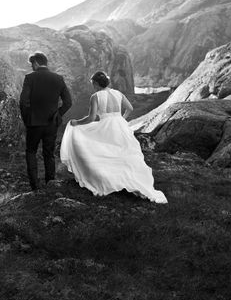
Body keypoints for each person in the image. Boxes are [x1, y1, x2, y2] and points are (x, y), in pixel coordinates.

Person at [60, 71, 167, 204]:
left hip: (105, 125)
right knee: (122, 153)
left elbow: (91, 118)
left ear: (96, 83)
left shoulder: (96, 96)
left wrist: (77, 123)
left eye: (93, 83)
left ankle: (107, 179)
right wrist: (121, 119)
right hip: (120, 125)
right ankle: (127, 178)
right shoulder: (118, 93)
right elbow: (130, 108)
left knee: (104, 150)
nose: (93, 86)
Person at [19, 52, 72, 191]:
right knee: (48, 153)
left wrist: (27, 119)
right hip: (51, 125)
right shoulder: (58, 78)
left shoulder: (30, 78)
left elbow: (23, 102)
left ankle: (35, 186)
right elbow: (68, 102)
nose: (31, 67)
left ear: (36, 63)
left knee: (31, 152)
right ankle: (50, 183)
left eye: (32, 64)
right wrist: (57, 114)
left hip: (33, 123)